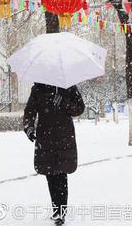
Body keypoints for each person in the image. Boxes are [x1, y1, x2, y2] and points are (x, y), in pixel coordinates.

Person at [23, 83, 85, 225]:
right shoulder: (38, 88)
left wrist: (64, 103)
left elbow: (80, 108)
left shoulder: (69, 86)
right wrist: (29, 128)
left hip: (64, 137)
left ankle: (61, 212)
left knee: (61, 175)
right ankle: (56, 209)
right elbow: (30, 111)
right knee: (50, 174)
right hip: (45, 137)